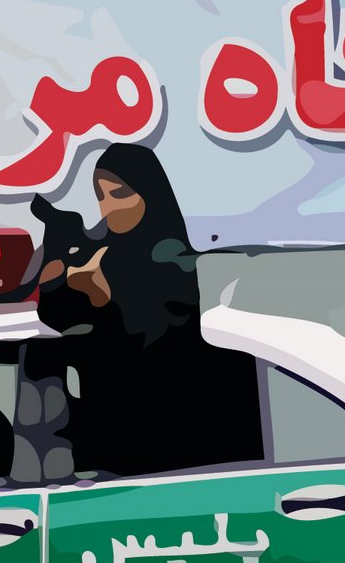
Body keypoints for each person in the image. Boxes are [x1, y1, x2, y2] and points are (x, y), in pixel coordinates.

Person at [29, 143, 262, 477]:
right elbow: (58, 315)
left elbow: (153, 335)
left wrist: (101, 296)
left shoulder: (174, 259)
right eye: (101, 196)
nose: (108, 207)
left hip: (177, 432)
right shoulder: (103, 252)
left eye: (120, 194)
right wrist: (55, 261)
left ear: (148, 193)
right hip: (114, 434)